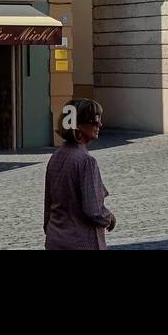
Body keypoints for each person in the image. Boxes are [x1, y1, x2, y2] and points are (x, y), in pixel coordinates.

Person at [43, 98, 116, 250]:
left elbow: (48, 205)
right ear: (78, 125)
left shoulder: (56, 157)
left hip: (55, 239)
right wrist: (109, 217)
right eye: (95, 120)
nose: (100, 125)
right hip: (82, 241)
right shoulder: (86, 162)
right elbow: (94, 211)